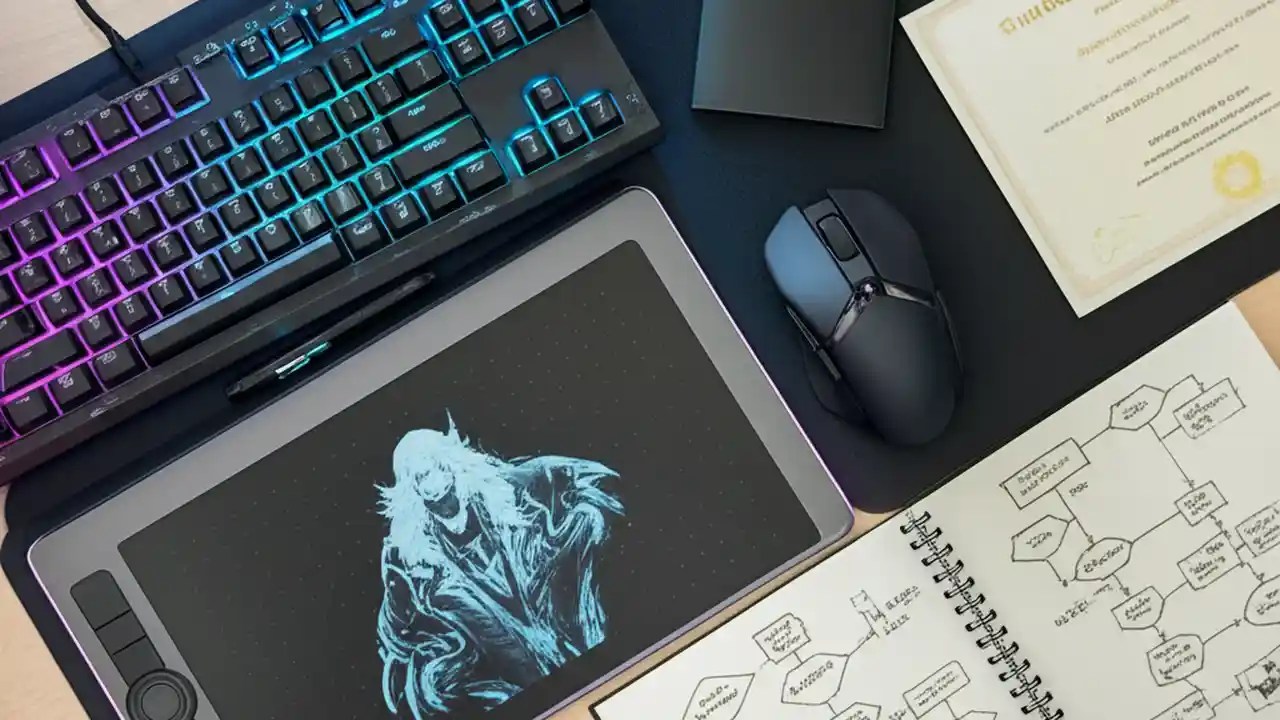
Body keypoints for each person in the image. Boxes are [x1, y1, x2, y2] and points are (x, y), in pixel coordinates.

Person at [376, 417, 625, 718]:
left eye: (437, 466)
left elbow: (590, 479)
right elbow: (395, 636)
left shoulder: (507, 490)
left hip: (582, 641)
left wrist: (586, 522)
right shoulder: (408, 559)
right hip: (514, 686)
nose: (434, 481)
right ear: (411, 487)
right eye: (421, 475)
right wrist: (439, 664)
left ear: (452, 462)